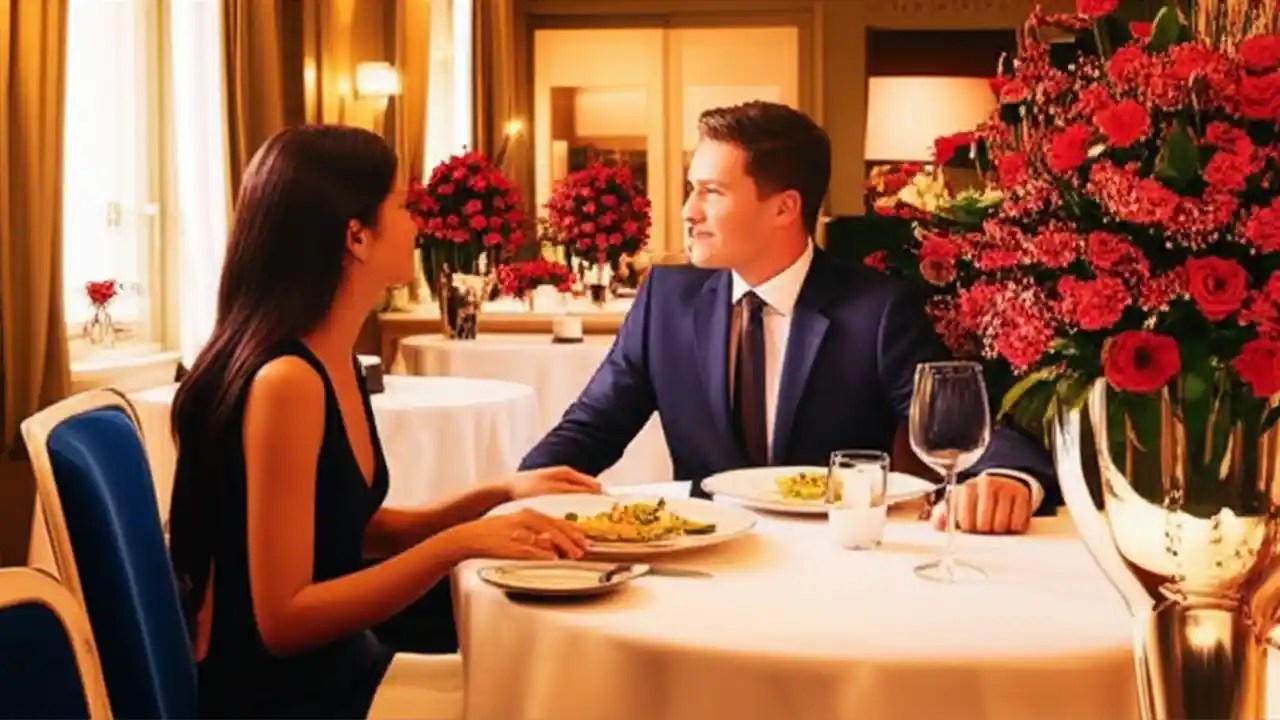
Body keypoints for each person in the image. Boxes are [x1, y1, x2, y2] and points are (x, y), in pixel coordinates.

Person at [167, 125, 596, 719]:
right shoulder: (287, 381)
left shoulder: (334, 360)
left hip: (339, 669)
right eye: (402, 205)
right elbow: (283, 621)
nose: (417, 224)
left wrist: (498, 494)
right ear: (356, 236)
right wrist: (457, 545)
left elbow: (354, 529)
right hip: (289, 699)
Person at [520, 101, 1059, 535]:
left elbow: (964, 430)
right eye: (691, 189)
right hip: (704, 561)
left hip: (838, 568)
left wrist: (1008, 477)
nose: (688, 211)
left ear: (784, 208)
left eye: (712, 192)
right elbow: (591, 427)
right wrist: (514, 495)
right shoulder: (666, 299)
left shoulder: (876, 311)